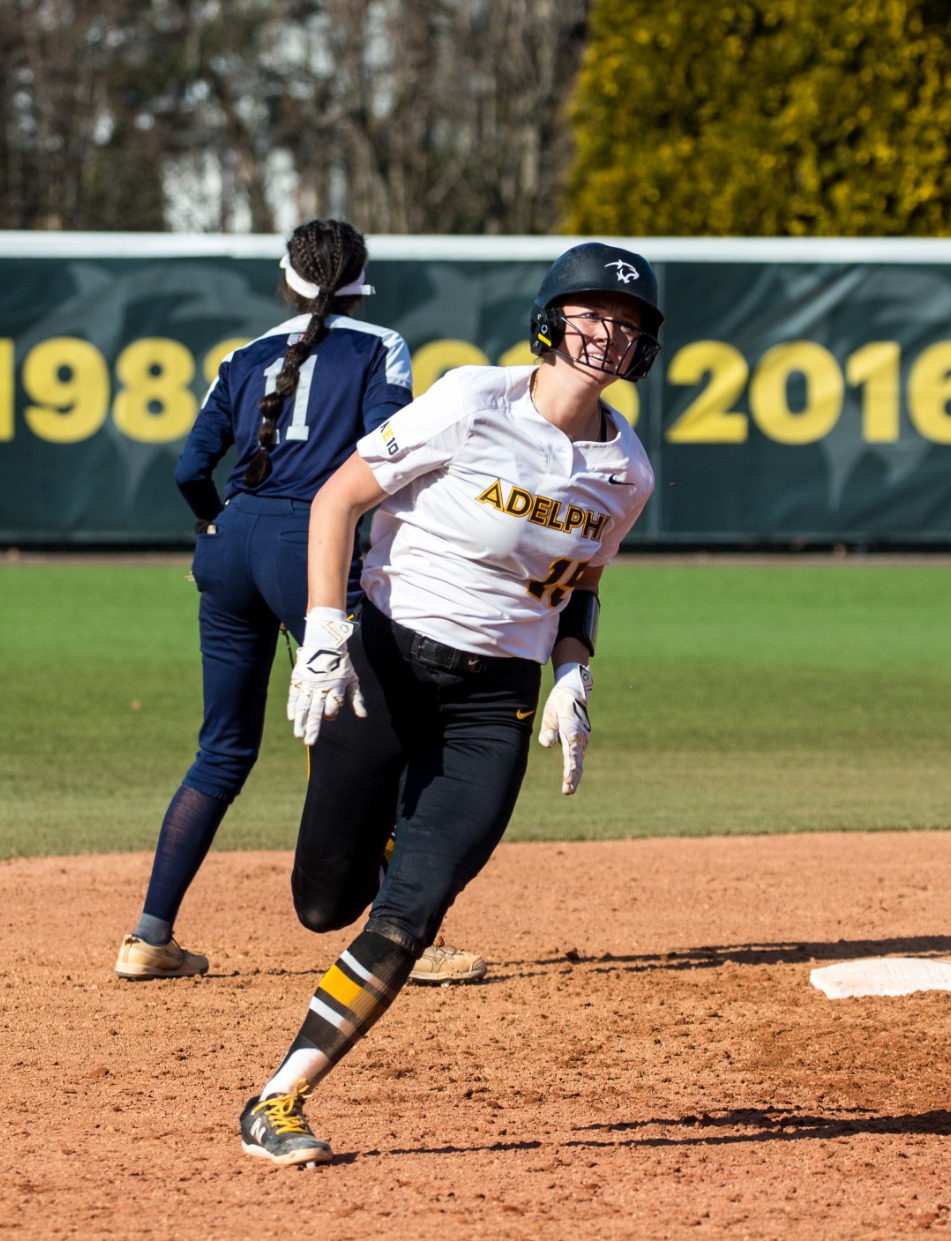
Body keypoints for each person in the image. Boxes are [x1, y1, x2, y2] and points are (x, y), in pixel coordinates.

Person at [237, 241, 663, 1168]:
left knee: (409, 911)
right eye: (593, 312)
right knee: (323, 900)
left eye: (629, 322)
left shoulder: (627, 469)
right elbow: (338, 501)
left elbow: (579, 580)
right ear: (553, 319)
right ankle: (388, 834)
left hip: (494, 704)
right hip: (387, 666)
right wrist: (322, 632)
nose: (609, 333)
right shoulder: (475, 400)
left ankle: (281, 1096)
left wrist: (574, 672)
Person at [112, 219, 488, 987]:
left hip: (231, 544)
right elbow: (394, 453)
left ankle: (150, 935)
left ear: (285, 280)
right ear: (360, 281)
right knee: (376, 741)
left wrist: (214, 521)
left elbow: (192, 467)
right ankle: (402, 935)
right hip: (313, 542)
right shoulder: (381, 345)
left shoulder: (241, 356)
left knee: (222, 748)